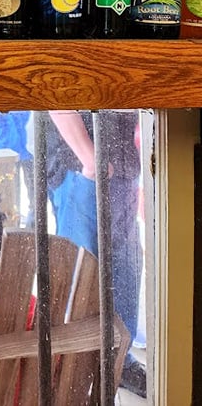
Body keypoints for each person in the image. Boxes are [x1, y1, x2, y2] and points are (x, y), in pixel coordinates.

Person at [47, 110, 146, 399]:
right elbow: (56, 91)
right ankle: (71, 371)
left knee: (126, 266)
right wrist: (90, 159)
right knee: (82, 272)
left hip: (122, 167)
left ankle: (120, 363)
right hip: (81, 166)